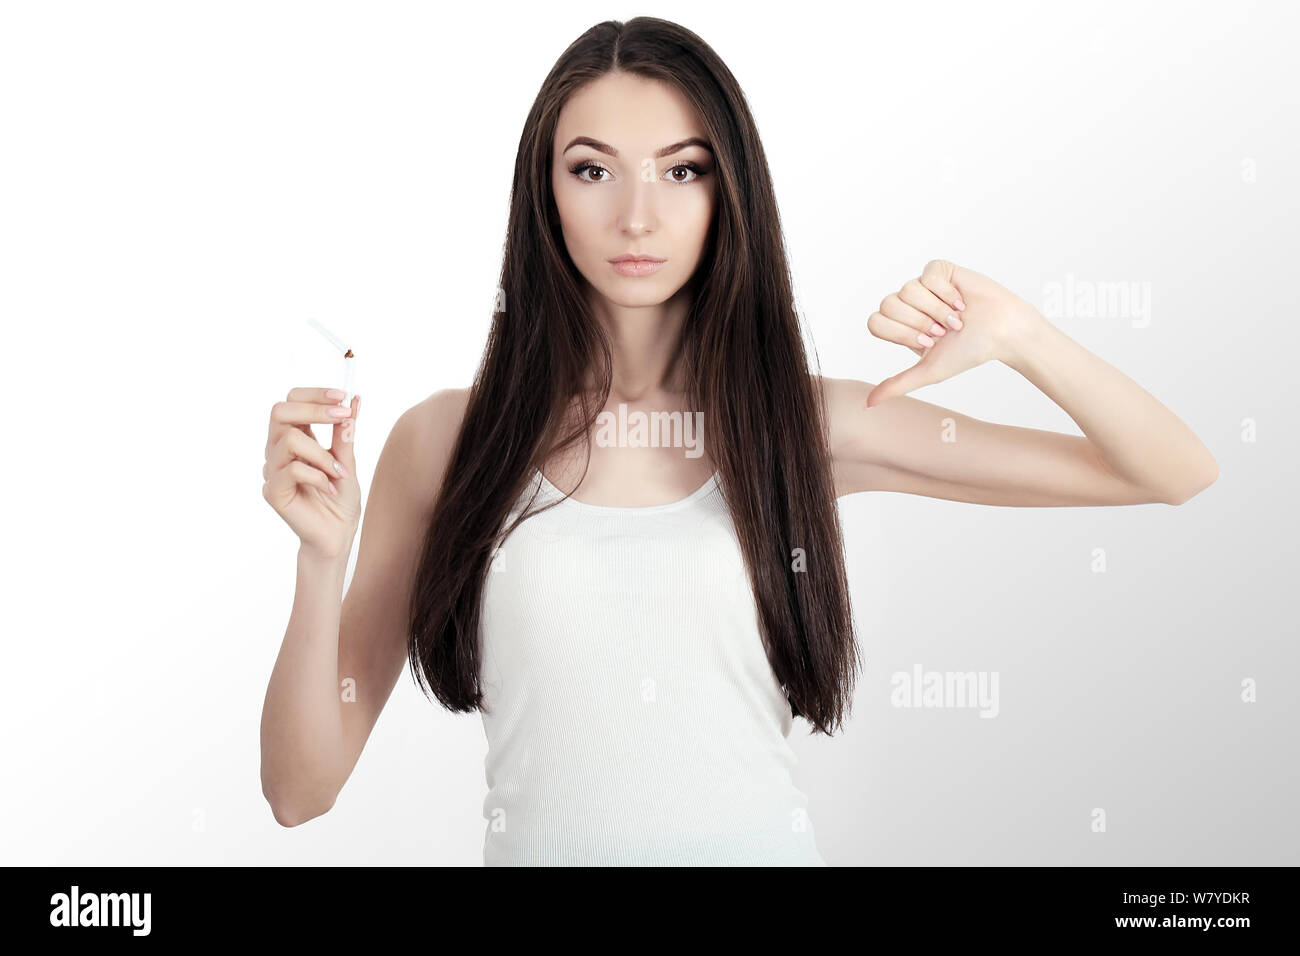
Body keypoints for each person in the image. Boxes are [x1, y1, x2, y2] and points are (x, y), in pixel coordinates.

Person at [258, 17, 1218, 866]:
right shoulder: (446, 440)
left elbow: (1173, 471)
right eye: (592, 170)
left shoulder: (802, 426)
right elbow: (301, 793)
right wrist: (320, 559)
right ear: (544, 194)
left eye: (683, 171)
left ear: (730, 193)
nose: (638, 215)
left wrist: (1019, 335)